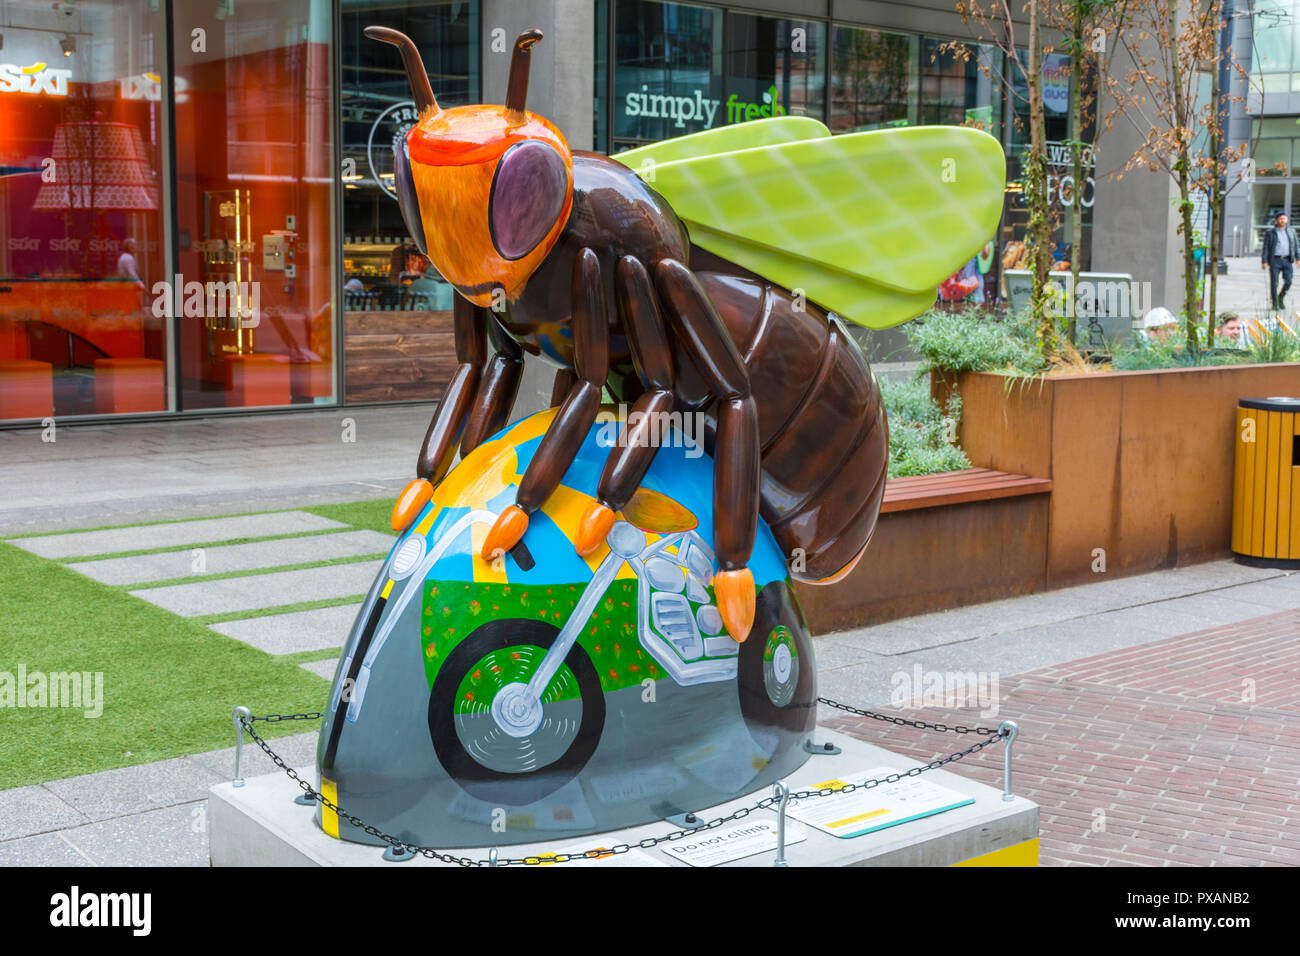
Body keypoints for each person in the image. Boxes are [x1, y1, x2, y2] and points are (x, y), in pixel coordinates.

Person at [1260, 211, 1300, 310]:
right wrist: (1264, 261)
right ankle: (1275, 304)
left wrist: (1298, 258)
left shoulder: (1291, 231)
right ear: (1277, 220)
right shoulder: (1270, 232)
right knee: (1274, 283)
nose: (1283, 220)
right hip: (1275, 260)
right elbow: (1266, 247)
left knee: (1289, 281)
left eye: (1284, 218)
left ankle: (1280, 297)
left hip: (1287, 260)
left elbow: (1296, 246)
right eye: (1281, 218)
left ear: (1287, 220)